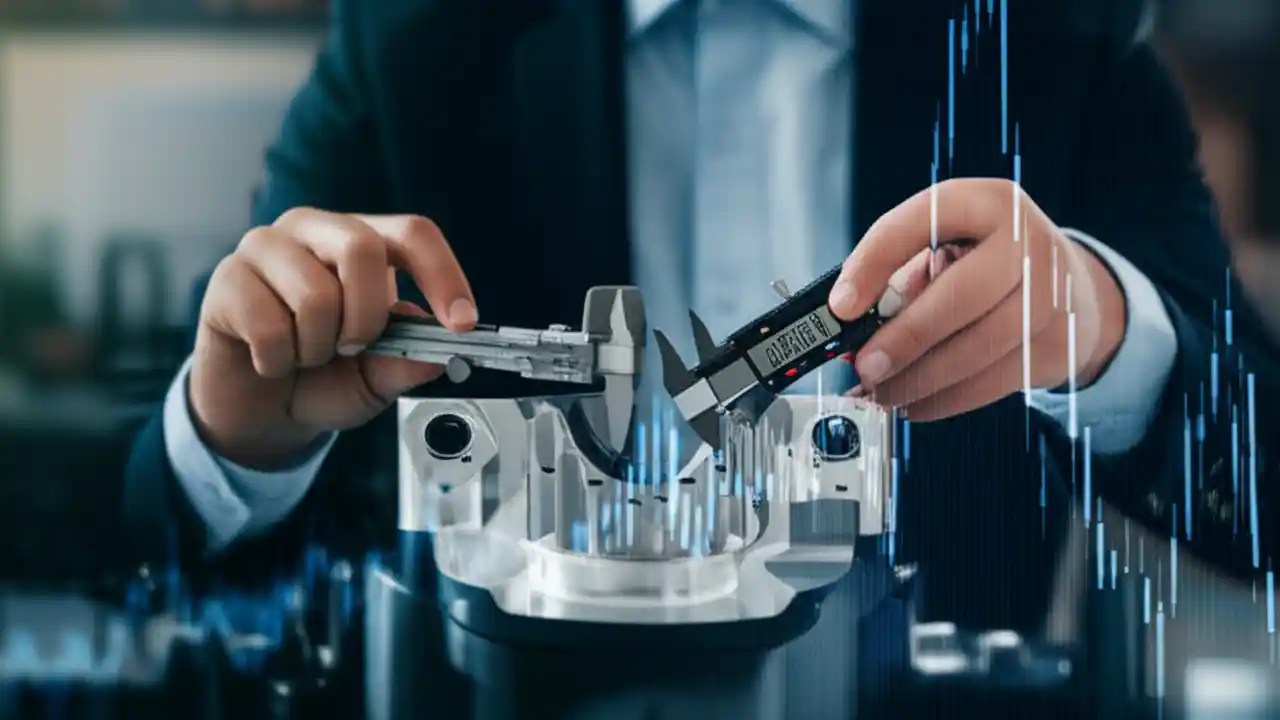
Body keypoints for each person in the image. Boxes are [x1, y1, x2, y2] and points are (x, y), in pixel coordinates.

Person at [125, 0, 1278, 631]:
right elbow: (147, 547)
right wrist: (238, 444)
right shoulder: (414, 39)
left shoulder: (1057, 37)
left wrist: (1104, 332)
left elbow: (1259, 488)